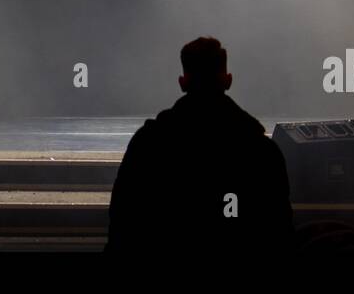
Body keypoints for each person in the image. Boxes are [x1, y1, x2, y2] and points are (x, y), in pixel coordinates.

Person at [106, 37, 295, 256]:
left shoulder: (148, 144)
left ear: (182, 82)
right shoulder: (261, 150)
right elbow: (279, 233)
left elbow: (122, 224)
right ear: (228, 80)